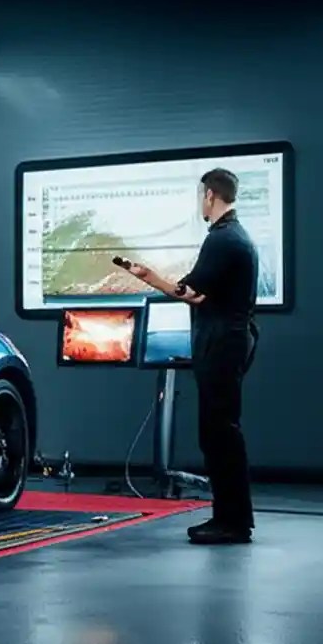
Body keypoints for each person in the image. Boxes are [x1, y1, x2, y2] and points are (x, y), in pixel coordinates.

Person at [119, 168, 259, 544]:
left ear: (211, 195)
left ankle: (231, 522)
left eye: (202, 196)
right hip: (227, 342)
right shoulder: (234, 236)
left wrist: (149, 277)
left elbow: (191, 292)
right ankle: (232, 519)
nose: (201, 202)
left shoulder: (224, 238)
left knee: (219, 433)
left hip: (221, 345)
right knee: (219, 432)